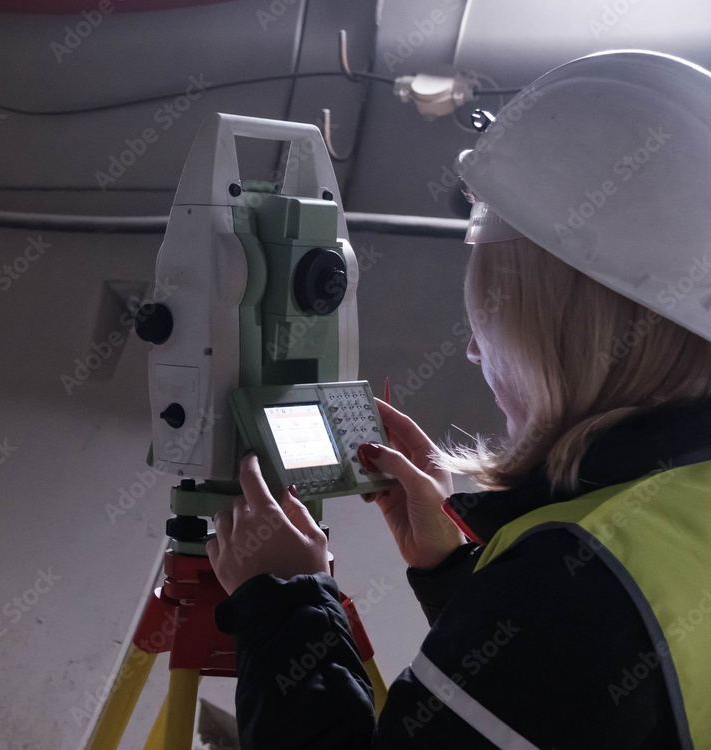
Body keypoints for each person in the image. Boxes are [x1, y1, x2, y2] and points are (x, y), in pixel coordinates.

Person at [205, 49, 711, 749]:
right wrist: (455, 573)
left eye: (493, 323)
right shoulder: (662, 524)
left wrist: (287, 608)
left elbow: (571, 649)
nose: (475, 352)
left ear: (562, 333)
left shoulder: (575, 591)